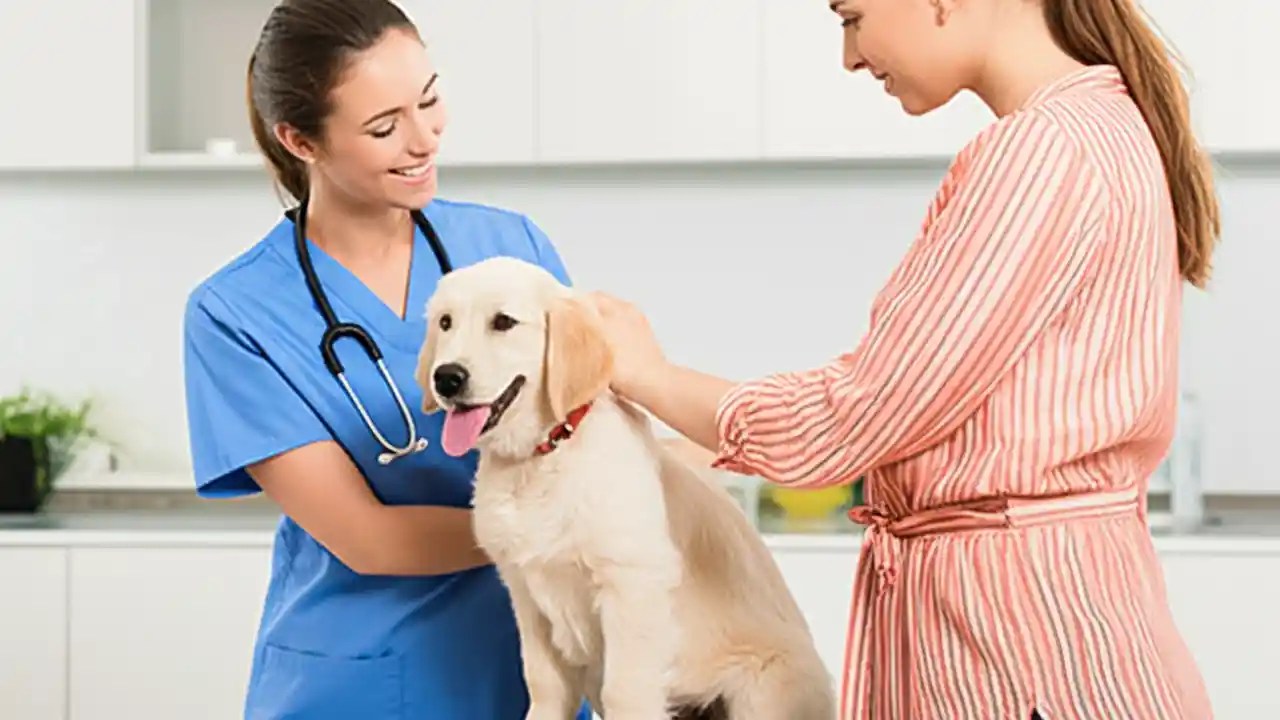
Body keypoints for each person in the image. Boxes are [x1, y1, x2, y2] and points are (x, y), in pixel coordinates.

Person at [588, 0, 1220, 718]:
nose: (850, 56)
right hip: (1061, 633)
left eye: (850, 17)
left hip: (1016, 650)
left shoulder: (1042, 153)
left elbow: (854, 418)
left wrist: (648, 374)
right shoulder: (1101, 128)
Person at [181, 1, 592, 717]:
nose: (424, 138)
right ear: (298, 140)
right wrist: (565, 528)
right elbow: (370, 539)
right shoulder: (236, 312)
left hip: (542, 668)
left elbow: (588, 435)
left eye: (429, 100)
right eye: (383, 127)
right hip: (363, 679)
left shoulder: (512, 248)